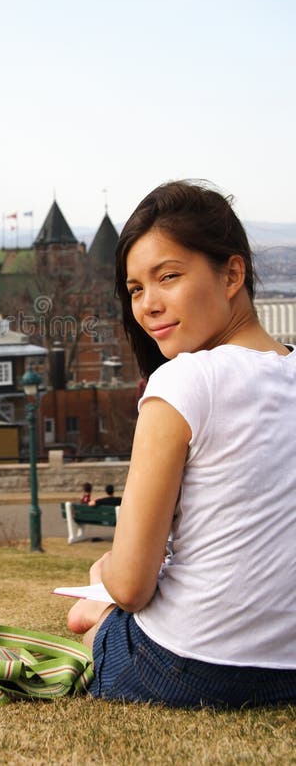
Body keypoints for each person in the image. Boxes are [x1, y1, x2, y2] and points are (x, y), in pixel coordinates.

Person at [67, 180, 296, 708]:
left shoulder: (183, 381)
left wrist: (107, 578)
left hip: (195, 668)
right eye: (135, 289)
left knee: (103, 586)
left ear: (232, 274)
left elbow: (132, 587)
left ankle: (93, 618)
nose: (148, 305)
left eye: (167, 277)